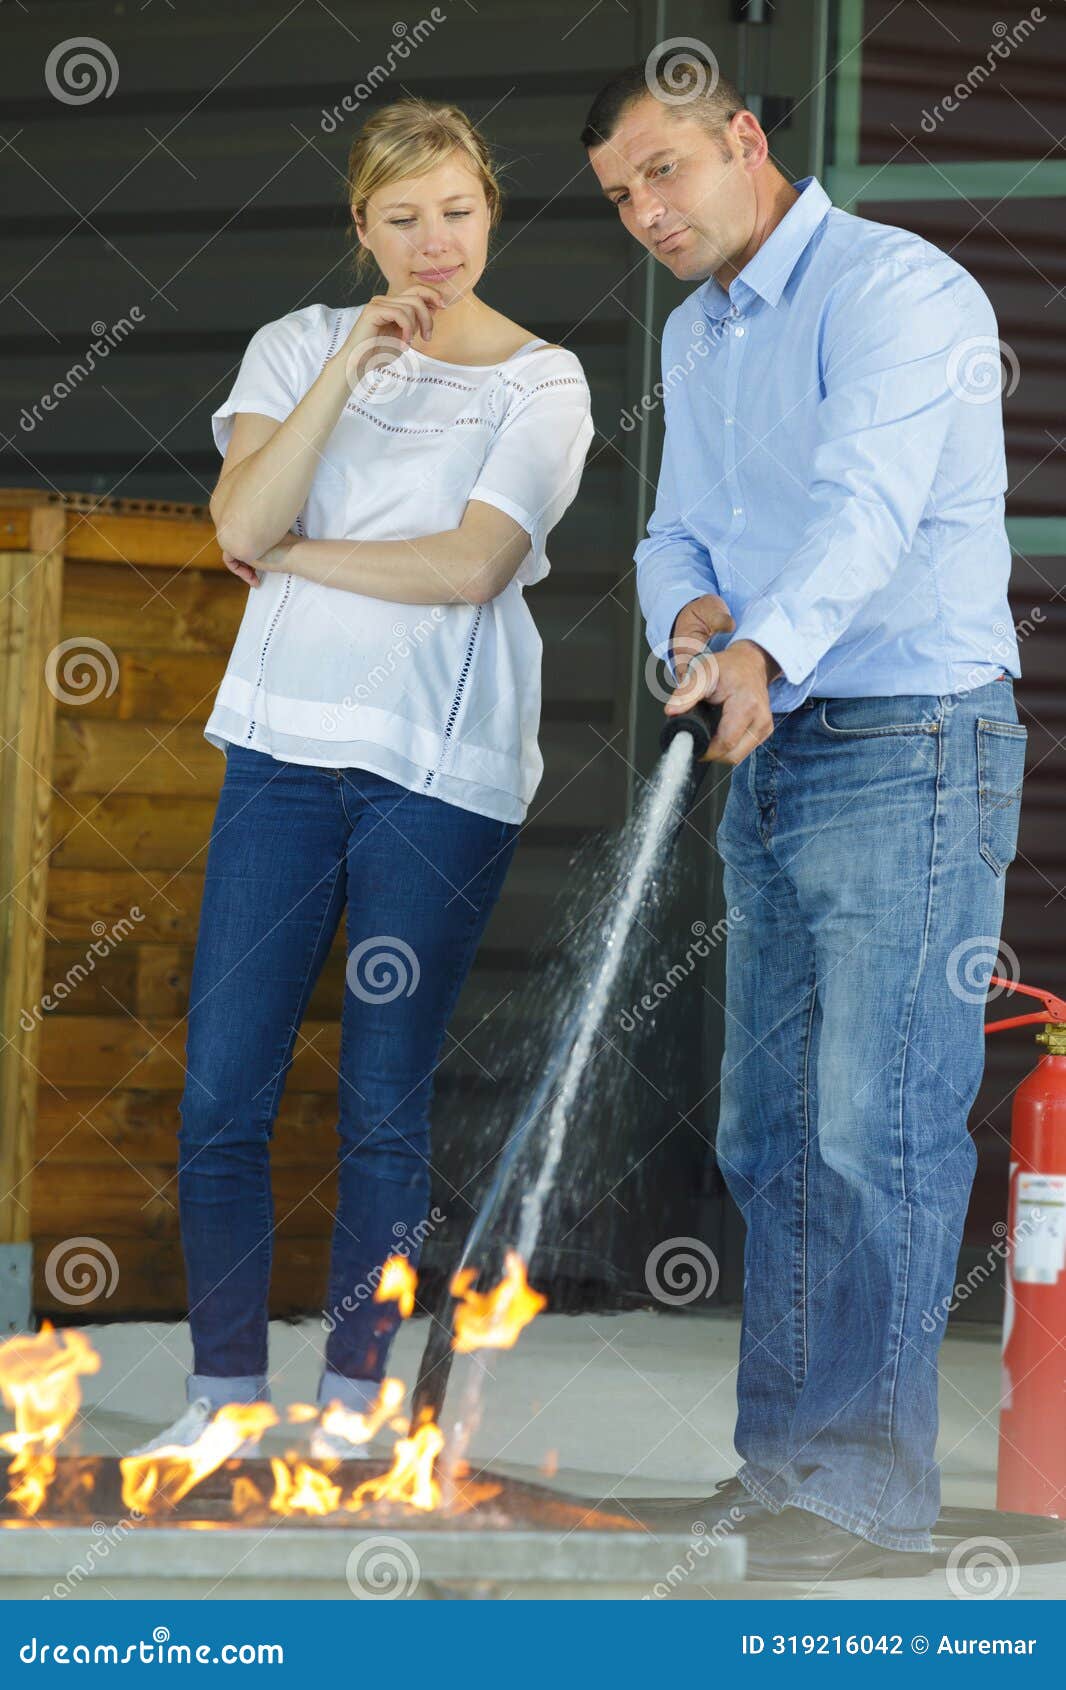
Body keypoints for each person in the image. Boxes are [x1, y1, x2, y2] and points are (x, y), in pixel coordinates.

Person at [582, 56, 1025, 1579]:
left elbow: (865, 512)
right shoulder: (702, 336)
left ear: (745, 141)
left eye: (665, 171)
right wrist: (699, 615)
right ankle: (783, 1467)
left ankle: (862, 1489)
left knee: (874, 1124)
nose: (647, 210)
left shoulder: (898, 293)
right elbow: (672, 529)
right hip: (767, 750)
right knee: (769, 1133)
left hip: (906, 742)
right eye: (620, 193)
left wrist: (761, 648)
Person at [129, 97, 593, 1461]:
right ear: (361, 228)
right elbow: (237, 518)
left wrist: (301, 559)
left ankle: (353, 1398)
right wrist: (345, 363)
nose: (431, 244)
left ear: (489, 214)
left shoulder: (542, 381)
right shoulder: (293, 346)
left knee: (381, 1095)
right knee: (224, 1090)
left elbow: (469, 566)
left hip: (436, 775)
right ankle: (221, 1398)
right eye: (401, 220)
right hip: (279, 752)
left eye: (455, 213)